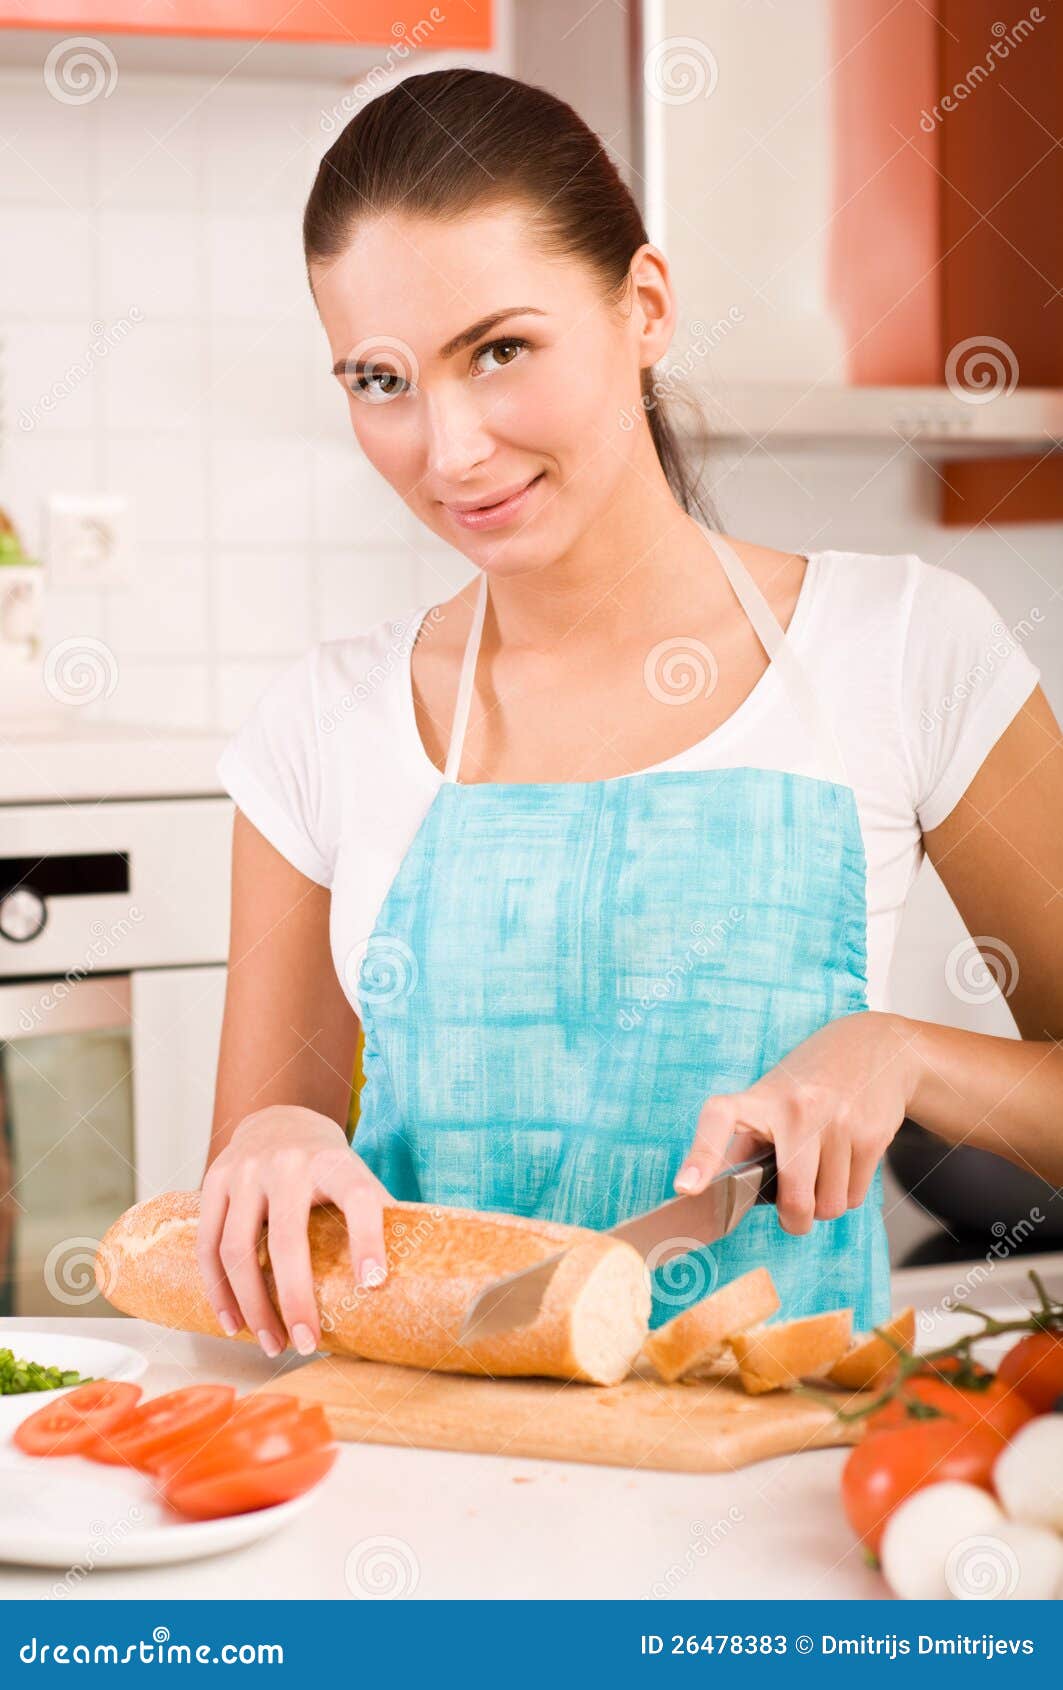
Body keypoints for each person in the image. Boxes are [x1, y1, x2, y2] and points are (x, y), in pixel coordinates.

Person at [199, 68, 1063, 1361]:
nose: (449, 448)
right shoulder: (318, 724)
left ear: (644, 306)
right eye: (380, 379)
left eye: (501, 350)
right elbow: (257, 1210)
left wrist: (906, 1056)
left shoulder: (902, 647)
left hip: (779, 1457)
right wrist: (271, 1143)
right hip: (412, 1460)